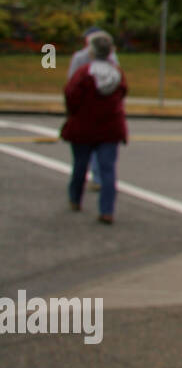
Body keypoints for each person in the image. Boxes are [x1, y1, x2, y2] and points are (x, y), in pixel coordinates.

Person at [62, 32, 128, 224]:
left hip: (83, 126)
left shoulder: (84, 73)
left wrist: (73, 114)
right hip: (110, 127)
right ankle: (107, 210)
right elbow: (122, 93)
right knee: (108, 170)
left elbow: (70, 95)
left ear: (91, 51)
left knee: (80, 165)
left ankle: (75, 199)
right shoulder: (117, 74)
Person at [67, 27, 119, 190]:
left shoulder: (106, 60)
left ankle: (84, 186)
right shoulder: (84, 59)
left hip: (91, 113)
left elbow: (71, 84)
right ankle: (90, 183)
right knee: (94, 155)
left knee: (87, 154)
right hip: (97, 113)